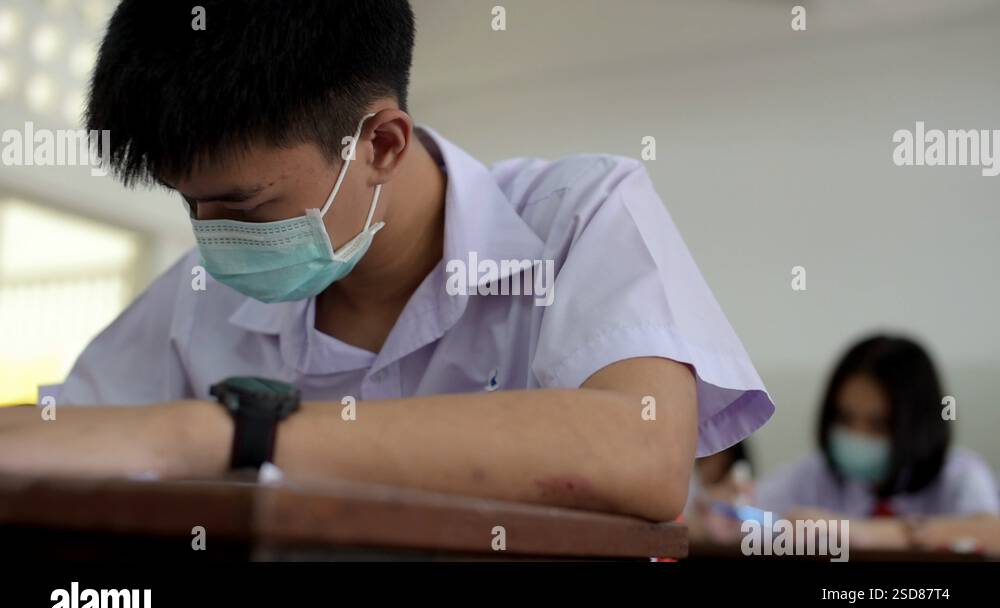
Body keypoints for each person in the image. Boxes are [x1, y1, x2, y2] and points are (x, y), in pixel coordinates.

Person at [0, 1, 773, 522]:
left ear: (380, 144)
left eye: (245, 208)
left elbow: (637, 450)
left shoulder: (577, 215)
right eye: (188, 204)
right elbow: (59, 433)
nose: (212, 235)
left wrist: (217, 437)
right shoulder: (197, 294)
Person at [757, 334, 998, 549]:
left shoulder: (959, 474)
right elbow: (752, 511)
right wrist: (728, 514)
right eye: (844, 418)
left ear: (917, 425)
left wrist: (860, 533)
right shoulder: (813, 475)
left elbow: (991, 534)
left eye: (879, 424)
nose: (857, 435)